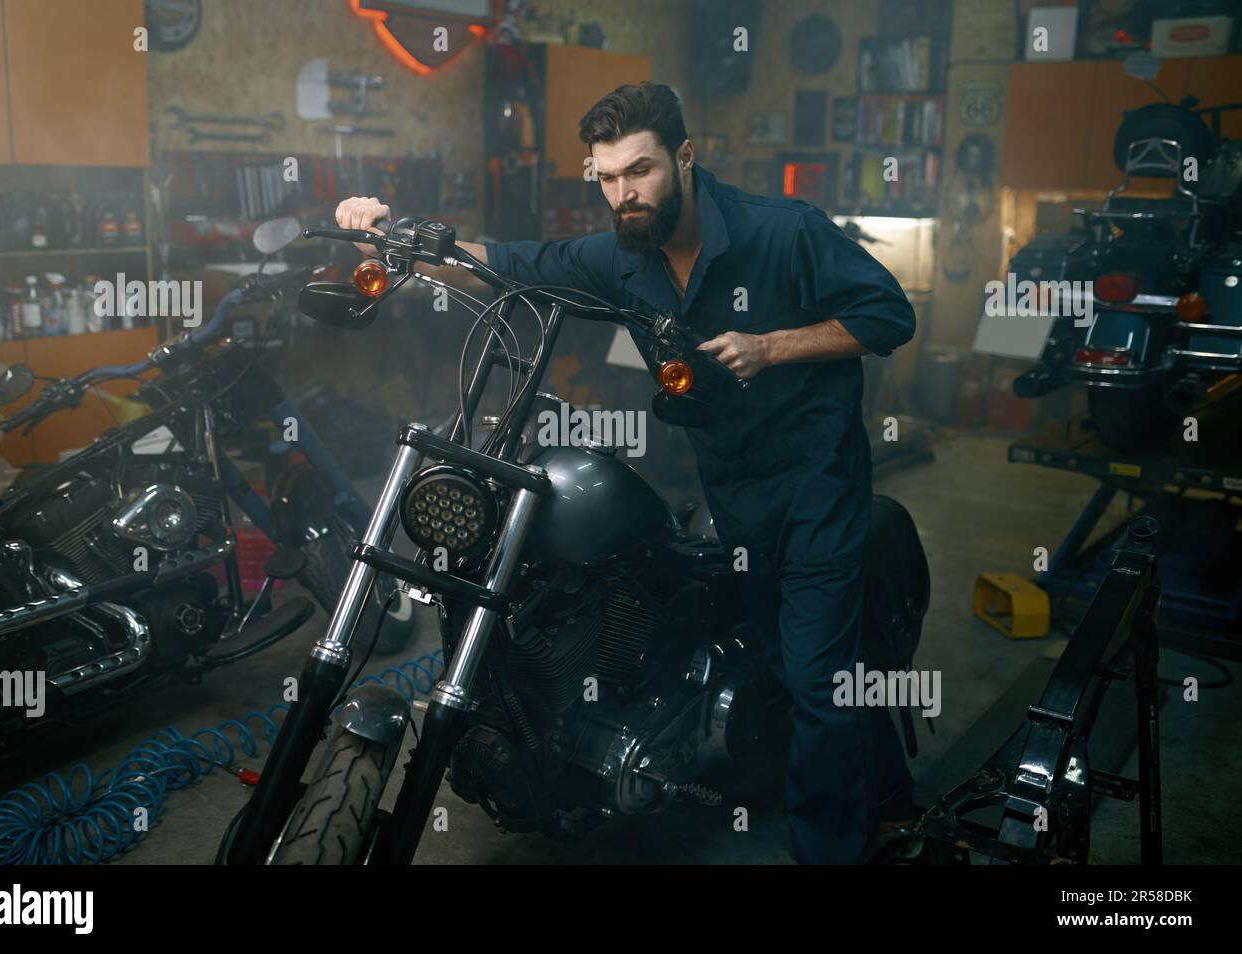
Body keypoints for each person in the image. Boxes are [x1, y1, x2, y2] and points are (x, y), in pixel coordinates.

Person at [334, 81, 917, 864]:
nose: (623, 194)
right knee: (795, 656)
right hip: (731, 484)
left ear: (683, 155)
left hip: (815, 477)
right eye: (606, 178)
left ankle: (836, 851)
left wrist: (771, 346)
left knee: (814, 675)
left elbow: (889, 314)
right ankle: (891, 794)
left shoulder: (783, 231)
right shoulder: (621, 257)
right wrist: (393, 239)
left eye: (638, 172)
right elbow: (506, 265)